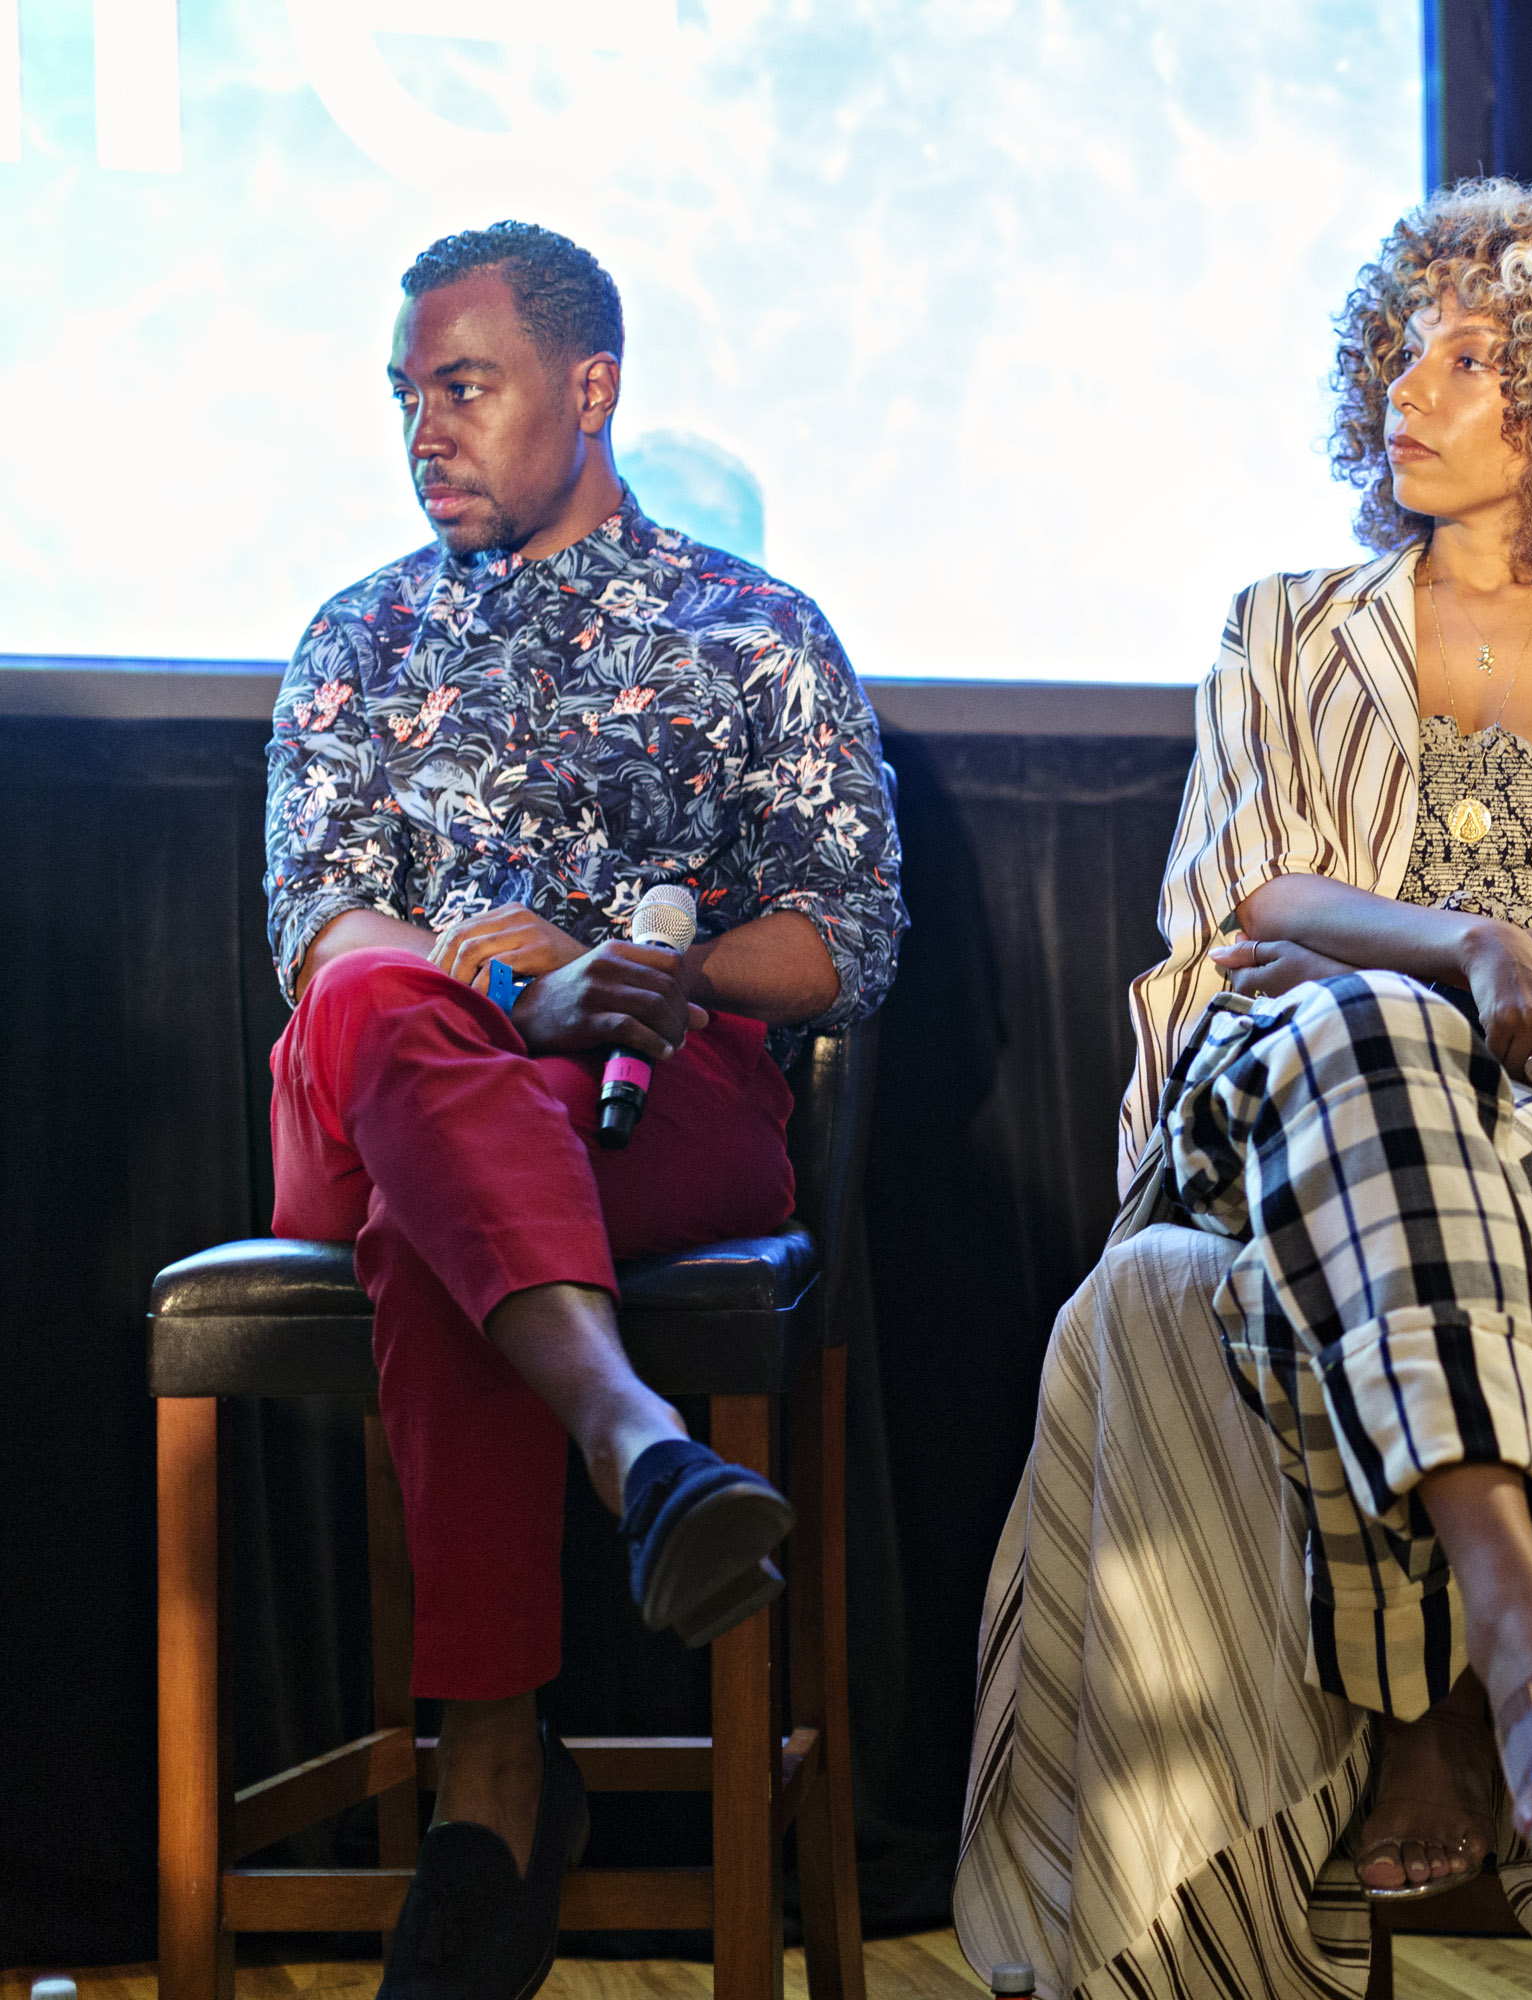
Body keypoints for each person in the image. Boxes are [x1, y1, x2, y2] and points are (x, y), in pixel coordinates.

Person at [953, 181, 1532, 2000]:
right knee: (1357, 1039)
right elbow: (1250, 896)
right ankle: (1518, 1628)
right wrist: (1473, 957)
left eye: (1472, 361)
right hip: (1282, 1101)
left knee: (1361, 1044)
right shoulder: (1286, 624)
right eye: (1401, 350)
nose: (1411, 387)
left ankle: (1430, 1695)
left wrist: (1425, 970)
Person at [262, 222, 902, 1999]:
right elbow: (323, 931)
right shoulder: (358, 634)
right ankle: (636, 1443)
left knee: (443, 1216)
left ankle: (489, 1788)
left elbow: (845, 943)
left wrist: (652, 973)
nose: (425, 432)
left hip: (648, 1102)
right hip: (382, 1084)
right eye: (406, 396)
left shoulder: (754, 631)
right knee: (383, 1013)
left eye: (464, 388)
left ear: (594, 386)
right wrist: (509, 999)